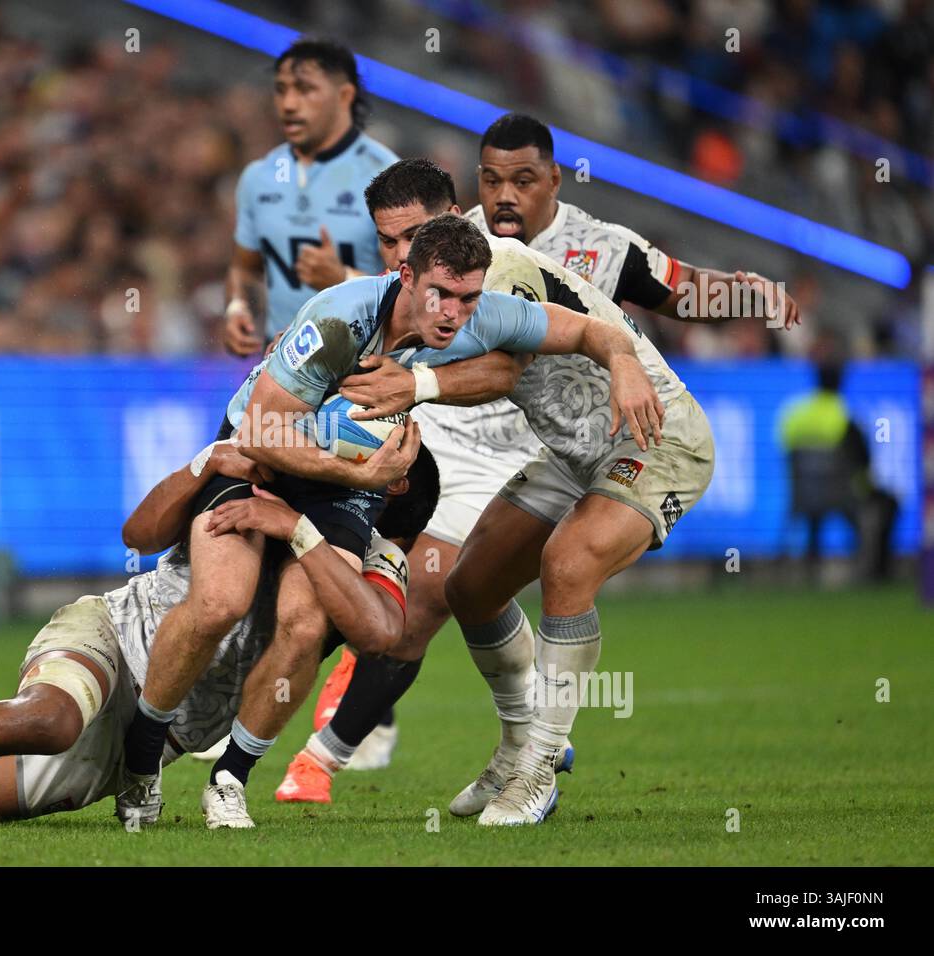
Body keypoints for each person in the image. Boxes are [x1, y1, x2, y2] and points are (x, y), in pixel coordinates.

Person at [307, 115, 801, 804]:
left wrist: (715, 312)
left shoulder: (503, 264)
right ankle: (515, 752)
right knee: (469, 589)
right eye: (389, 242)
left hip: (654, 438)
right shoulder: (434, 281)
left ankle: (538, 767)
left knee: (567, 565)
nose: (399, 254)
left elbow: (507, 369)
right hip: (570, 453)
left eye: (411, 238)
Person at [122, 213, 663, 824]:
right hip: (262, 460)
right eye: (441, 293)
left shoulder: (482, 314)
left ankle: (230, 779)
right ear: (405, 276)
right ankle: (141, 760)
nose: (454, 313)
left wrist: (624, 362)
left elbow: (595, 330)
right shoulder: (338, 319)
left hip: (346, 483)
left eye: (467, 297)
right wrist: (357, 475)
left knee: (305, 625)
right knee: (221, 601)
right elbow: (260, 430)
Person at [0, 438, 439, 830]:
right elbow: (136, 534)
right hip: (116, 633)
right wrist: (201, 464)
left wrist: (299, 532)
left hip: (180, 724)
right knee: (50, 718)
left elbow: (379, 633)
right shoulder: (252, 470)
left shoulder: (366, 557)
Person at [223, 38, 397, 356]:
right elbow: (245, 268)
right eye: (281, 89)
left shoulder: (389, 177)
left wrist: (343, 279)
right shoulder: (258, 177)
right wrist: (237, 308)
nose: (288, 104)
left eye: (304, 89)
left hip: (361, 374)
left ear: (344, 95)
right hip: (278, 367)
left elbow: (413, 286)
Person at [779, 361, 898, 581]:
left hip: (803, 496)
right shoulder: (843, 415)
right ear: (841, 381)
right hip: (841, 496)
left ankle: (807, 567)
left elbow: (787, 454)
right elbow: (863, 462)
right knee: (887, 502)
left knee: (815, 512)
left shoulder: (796, 415)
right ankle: (875, 570)